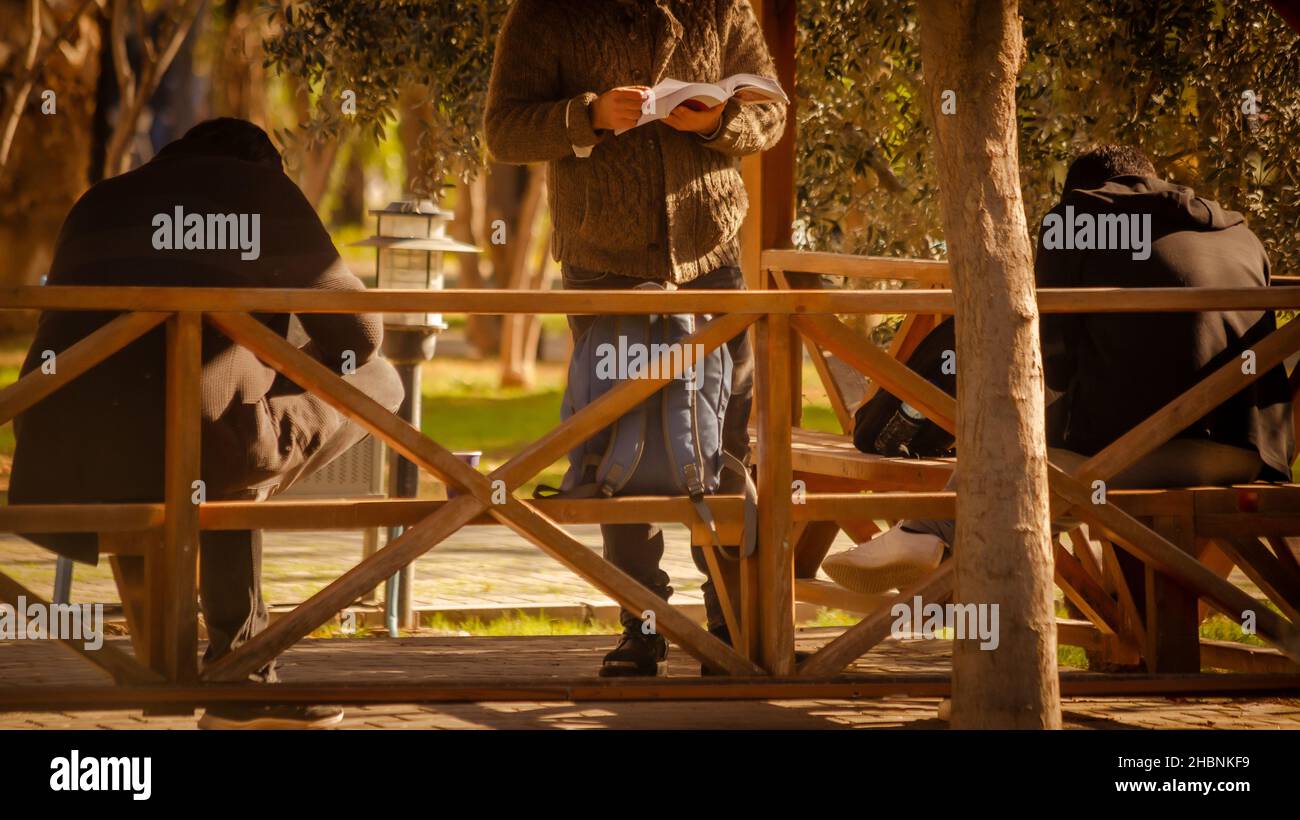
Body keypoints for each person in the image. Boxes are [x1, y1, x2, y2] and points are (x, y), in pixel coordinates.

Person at [9, 118, 405, 728]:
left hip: (61, 461)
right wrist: (282, 355)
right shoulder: (258, 190)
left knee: (191, 417)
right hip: (201, 453)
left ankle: (160, 671)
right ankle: (240, 672)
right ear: (263, 166)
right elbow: (359, 336)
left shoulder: (100, 199)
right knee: (375, 382)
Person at [823, 144, 1295, 594]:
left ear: (1078, 190)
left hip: (1129, 454)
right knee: (1050, 468)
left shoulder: (1074, 222)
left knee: (1020, 451)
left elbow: (1048, 367)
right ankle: (931, 541)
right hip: (1244, 455)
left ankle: (929, 538)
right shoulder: (1240, 236)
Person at [483, 0, 787, 675]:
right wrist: (586, 116)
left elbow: (772, 107)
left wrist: (721, 121)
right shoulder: (542, 15)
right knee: (619, 440)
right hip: (602, 263)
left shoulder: (720, 7)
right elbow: (502, 132)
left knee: (728, 435)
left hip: (712, 259)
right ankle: (641, 622)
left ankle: (728, 627)